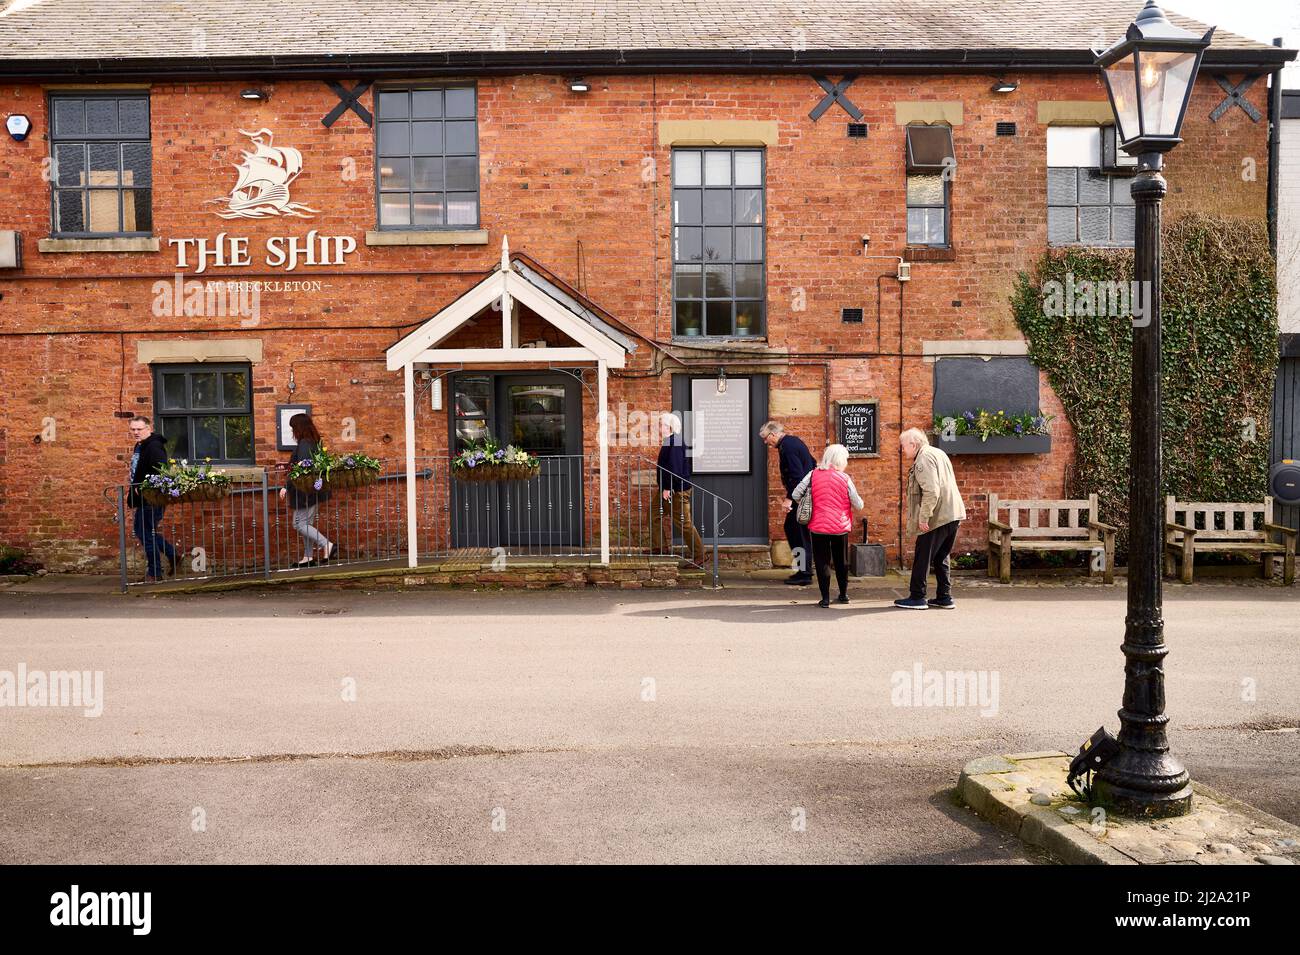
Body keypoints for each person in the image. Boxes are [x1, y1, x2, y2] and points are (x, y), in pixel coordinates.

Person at [895, 427, 966, 610]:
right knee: (942, 555)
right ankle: (944, 597)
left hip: (938, 515)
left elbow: (931, 491)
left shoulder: (923, 459)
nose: (903, 451)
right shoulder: (938, 452)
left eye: (904, 446)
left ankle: (917, 597)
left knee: (923, 555)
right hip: (953, 512)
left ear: (914, 443)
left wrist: (924, 517)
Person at [790, 444, 864, 608]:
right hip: (839, 526)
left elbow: (795, 494)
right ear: (840, 460)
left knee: (822, 561)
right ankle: (843, 595)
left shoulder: (812, 474)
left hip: (818, 526)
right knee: (841, 561)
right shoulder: (844, 478)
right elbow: (858, 504)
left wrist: (808, 503)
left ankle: (824, 599)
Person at [759, 420, 816, 585]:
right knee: (797, 531)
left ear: (773, 434)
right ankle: (804, 570)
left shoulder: (788, 447)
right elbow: (812, 463)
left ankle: (805, 573)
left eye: (765, 438)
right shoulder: (792, 442)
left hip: (800, 497)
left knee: (796, 531)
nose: (765, 442)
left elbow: (796, 476)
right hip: (804, 495)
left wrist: (790, 499)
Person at [279, 412, 337, 567]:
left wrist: (286, 486)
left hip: (306, 493)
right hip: (313, 491)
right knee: (306, 524)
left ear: (299, 428)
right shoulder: (313, 442)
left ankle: (327, 544)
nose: (292, 432)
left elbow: (303, 470)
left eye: (293, 428)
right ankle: (308, 557)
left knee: (299, 524)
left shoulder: (305, 444)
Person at [650, 412, 706, 566]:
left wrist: (667, 487)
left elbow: (674, 468)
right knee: (654, 513)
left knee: (683, 522)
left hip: (677, 489)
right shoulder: (670, 440)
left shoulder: (674, 441)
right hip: (668, 488)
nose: (659, 427)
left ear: (669, 426)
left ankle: (700, 555)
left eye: (661, 424)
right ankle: (659, 547)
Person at [127, 415, 177, 582]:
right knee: (146, 532)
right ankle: (172, 554)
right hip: (144, 497)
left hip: (152, 498)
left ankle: (155, 573)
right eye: (133, 429)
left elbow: (160, 472)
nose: (136, 432)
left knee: (145, 532)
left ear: (149, 428)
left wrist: (146, 489)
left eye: (139, 429)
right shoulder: (140, 446)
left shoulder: (154, 447)